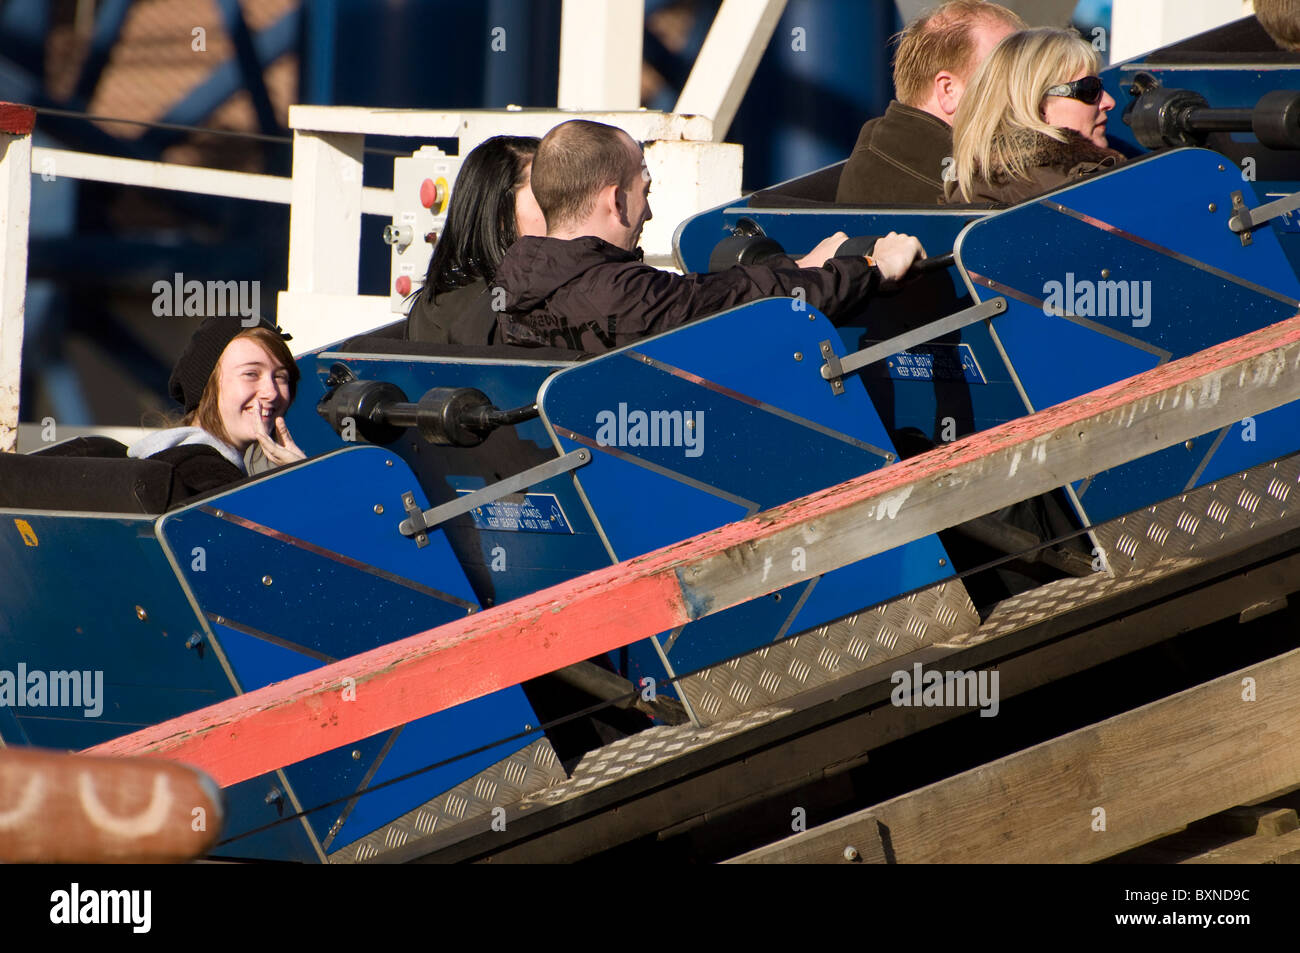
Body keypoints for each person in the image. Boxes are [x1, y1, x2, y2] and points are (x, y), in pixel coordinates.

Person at [493, 120, 925, 353]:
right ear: (615, 201)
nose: (648, 211)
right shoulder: (625, 294)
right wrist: (871, 267)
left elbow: (716, 295)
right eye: (643, 190)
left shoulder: (511, 288)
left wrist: (799, 267)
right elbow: (742, 302)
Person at [835, 0, 1024, 205]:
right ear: (948, 90)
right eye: (1009, 75)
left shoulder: (882, 153)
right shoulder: (965, 189)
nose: (1027, 93)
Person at [944, 27, 1126, 206]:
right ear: (1038, 107)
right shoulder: (1078, 192)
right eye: (1090, 89)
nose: (1109, 102)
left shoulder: (973, 192)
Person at [129, 316, 303, 498]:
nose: (272, 392)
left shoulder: (169, 462)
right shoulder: (205, 478)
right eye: (251, 374)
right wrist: (306, 481)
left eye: (280, 377)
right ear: (206, 385)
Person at [407, 135, 546, 345]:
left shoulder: (430, 304)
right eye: (546, 198)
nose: (562, 211)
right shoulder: (512, 308)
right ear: (500, 212)